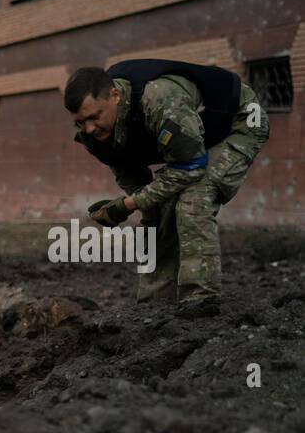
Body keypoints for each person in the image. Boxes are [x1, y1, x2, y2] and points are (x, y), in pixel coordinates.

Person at [64, 58, 270, 312]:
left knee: (193, 200)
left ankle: (201, 302)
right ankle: (155, 304)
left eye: (95, 117)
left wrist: (128, 205)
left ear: (115, 95)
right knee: (158, 213)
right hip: (195, 135)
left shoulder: (159, 99)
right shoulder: (95, 135)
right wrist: (143, 208)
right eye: (80, 122)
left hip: (240, 120)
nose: (90, 128)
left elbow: (191, 166)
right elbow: (139, 185)